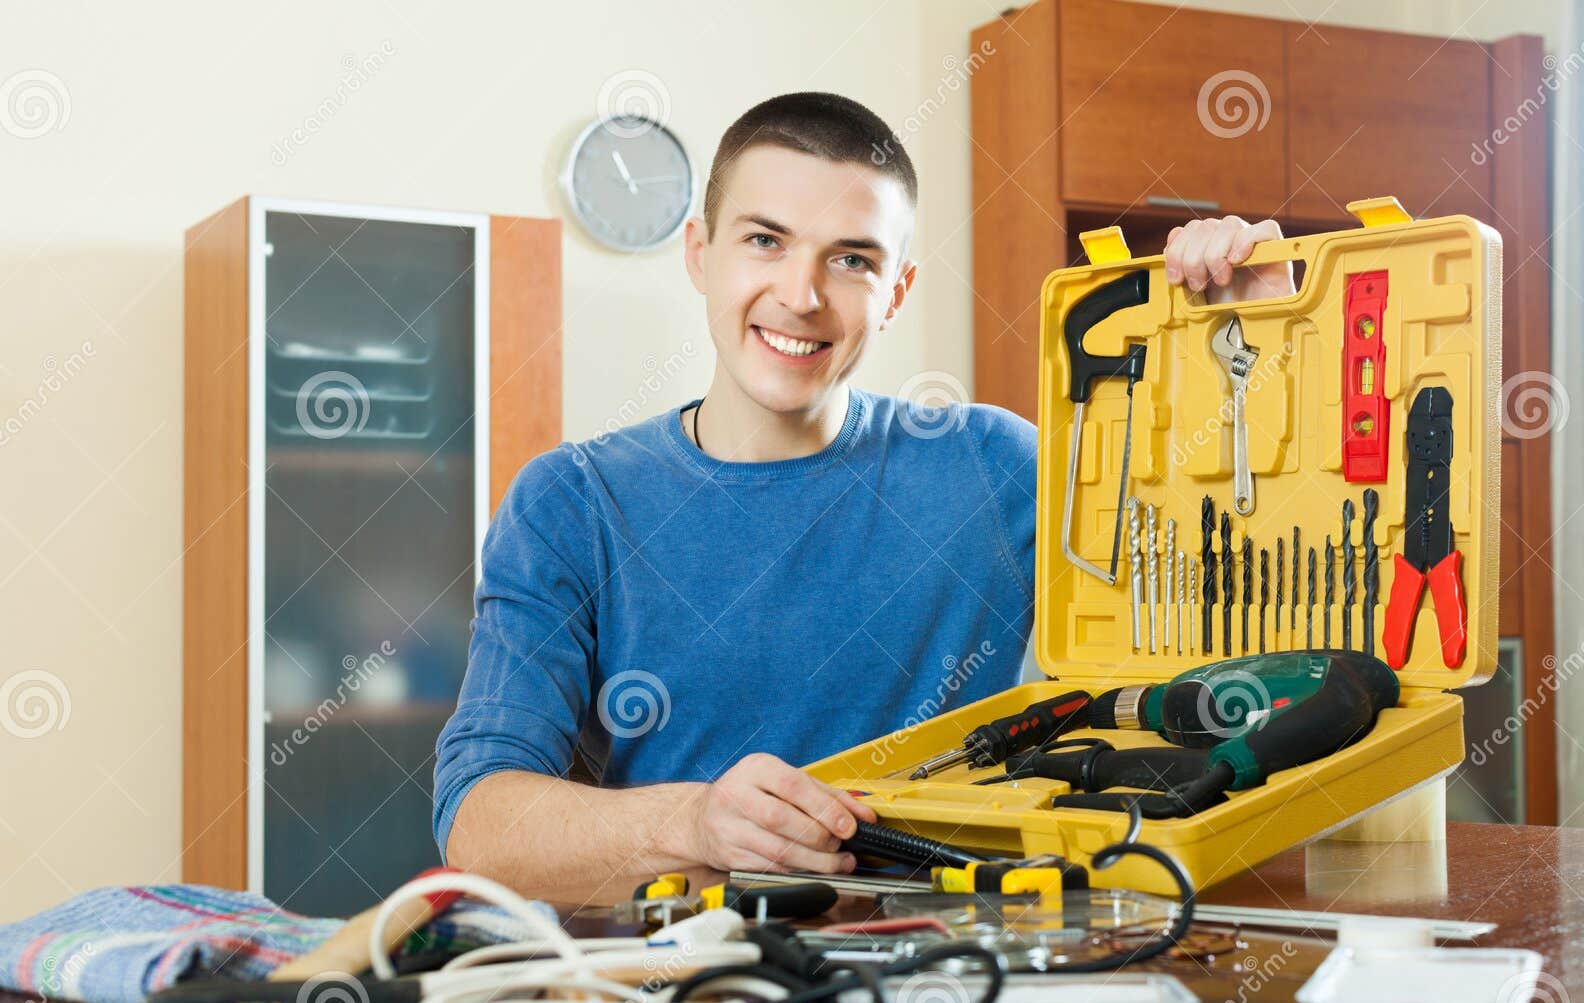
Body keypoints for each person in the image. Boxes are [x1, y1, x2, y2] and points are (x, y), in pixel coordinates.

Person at [434, 92, 1293, 895]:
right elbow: (478, 824)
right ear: (701, 253)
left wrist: (1271, 346)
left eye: (850, 259)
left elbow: (1240, 624)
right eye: (764, 240)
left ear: (897, 293)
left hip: (957, 973)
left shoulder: (998, 467)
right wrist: (693, 820)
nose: (801, 296)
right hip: (683, 994)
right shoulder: (573, 502)